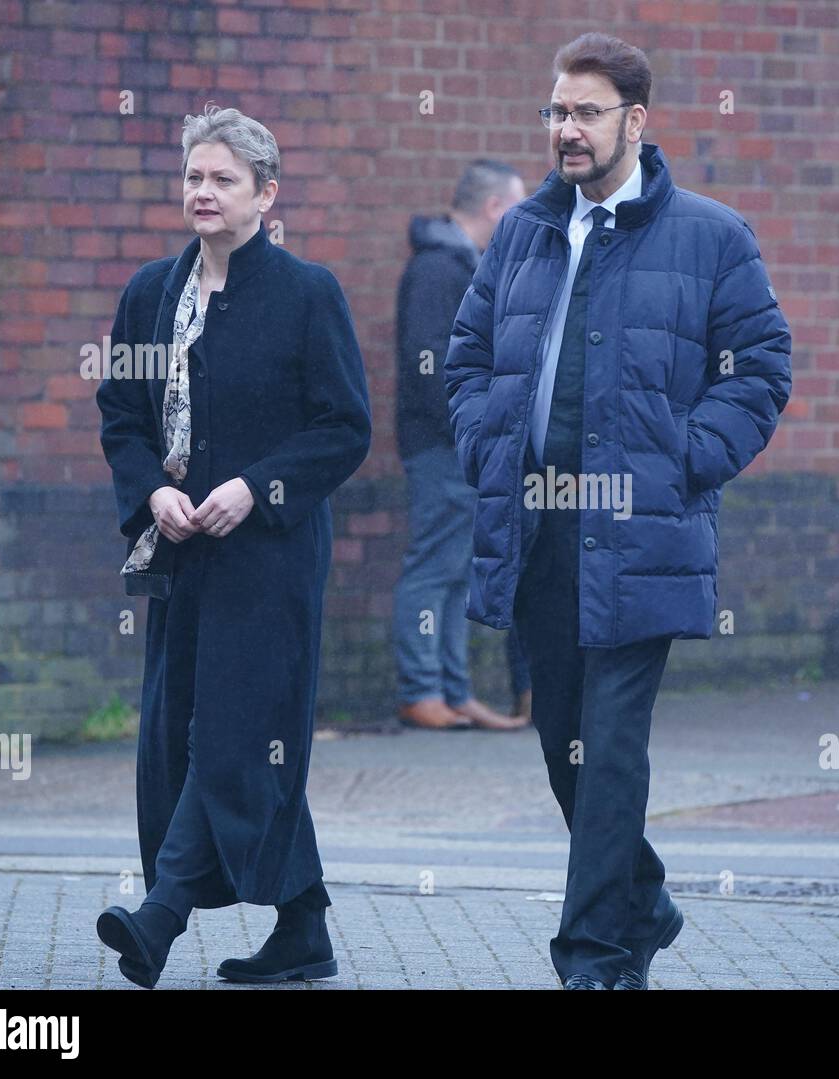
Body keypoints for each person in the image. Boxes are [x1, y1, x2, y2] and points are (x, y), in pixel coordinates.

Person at [445, 33, 791, 989]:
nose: (566, 129)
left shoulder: (711, 237)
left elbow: (760, 371)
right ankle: (643, 896)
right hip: (538, 528)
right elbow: (468, 357)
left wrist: (684, 461)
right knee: (563, 747)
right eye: (557, 111)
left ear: (635, 122)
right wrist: (487, 447)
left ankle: (594, 955)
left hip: (643, 535)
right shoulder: (522, 231)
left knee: (611, 750)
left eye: (586, 112)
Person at [94, 104, 371, 988]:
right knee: (191, 737)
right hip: (180, 558)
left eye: (222, 179)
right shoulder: (148, 294)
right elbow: (122, 418)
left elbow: (344, 428)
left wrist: (256, 487)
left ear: (266, 193)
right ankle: (304, 928)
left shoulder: (307, 293)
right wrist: (154, 492)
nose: (203, 192)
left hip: (271, 561)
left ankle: (159, 917)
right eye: (193, 177)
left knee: (234, 735)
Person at [393, 160, 531, 731]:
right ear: (496, 208)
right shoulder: (437, 269)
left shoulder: (460, 266)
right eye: (516, 209)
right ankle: (421, 690)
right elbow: (429, 365)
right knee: (434, 568)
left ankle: (452, 691)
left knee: (455, 570)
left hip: (461, 446)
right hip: (443, 445)